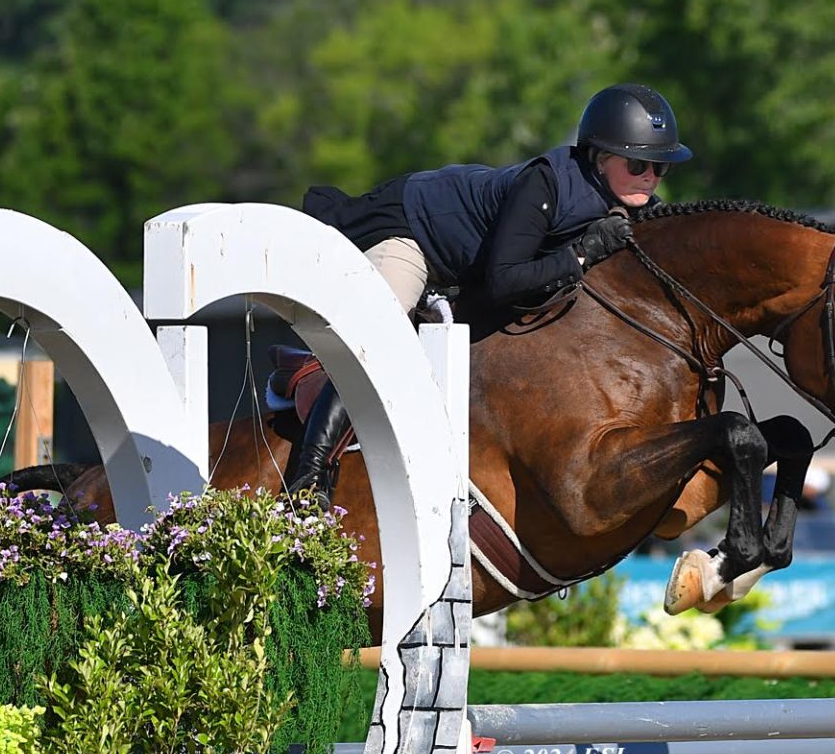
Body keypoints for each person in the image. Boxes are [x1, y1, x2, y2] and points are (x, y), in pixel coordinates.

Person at [288, 82, 692, 498]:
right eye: (637, 165)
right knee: (379, 338)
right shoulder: (545, 184)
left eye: (659, 168)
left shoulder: (629, 201)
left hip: (470, 269)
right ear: (600, 158)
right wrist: (579, 258)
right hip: (415, 232)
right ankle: (309, 476)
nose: (650, 177)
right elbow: (505, 280)